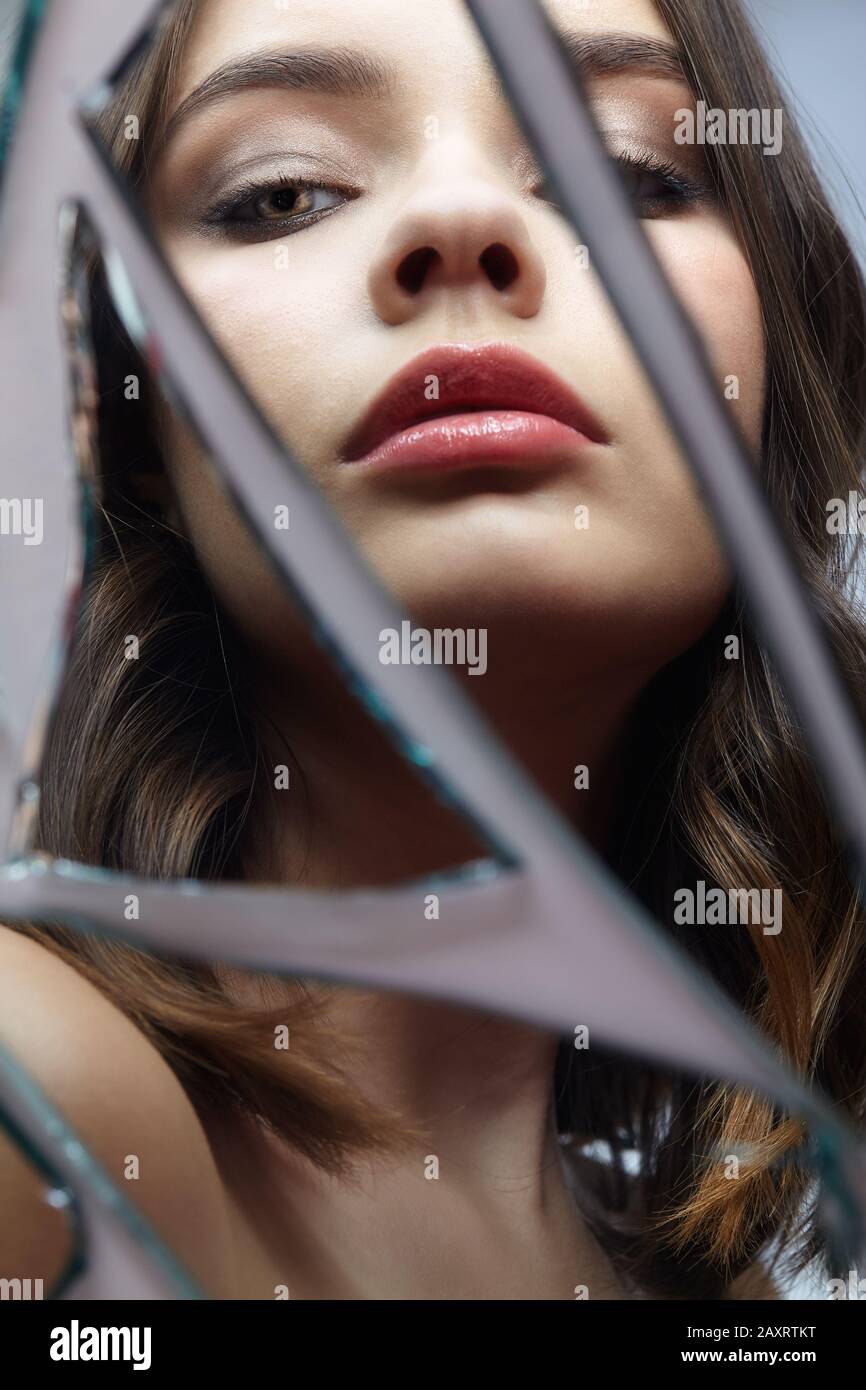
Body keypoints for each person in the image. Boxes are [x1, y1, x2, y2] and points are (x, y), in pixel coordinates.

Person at [2, 0, 864, 1299]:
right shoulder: (44, 1107)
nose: (460, 225)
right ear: (122, 426)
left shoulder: (714, 1295)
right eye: (280, 193)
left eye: (626, 173)